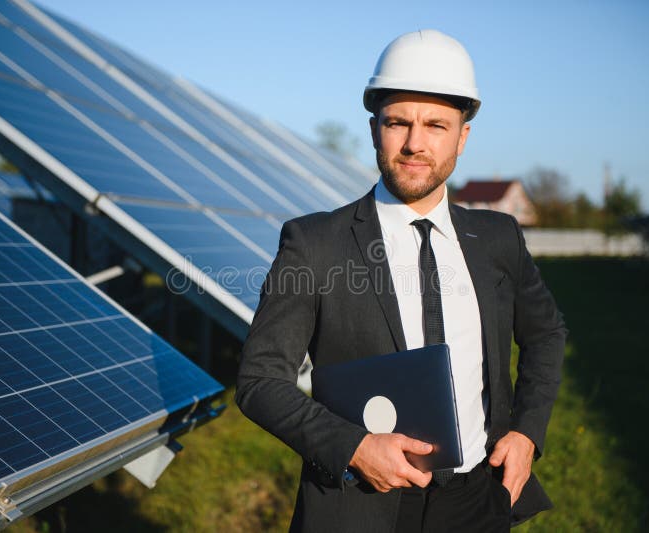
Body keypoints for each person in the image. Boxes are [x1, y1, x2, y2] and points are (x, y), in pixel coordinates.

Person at [236, 29, 566, 532]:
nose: (415, 143)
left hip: (479, 501)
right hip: (361, 506)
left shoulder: (498, 238)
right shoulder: (314, 243)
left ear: (463, 135)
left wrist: (526, 433)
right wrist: (354, 447)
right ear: (374, 129)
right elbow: (259, 381)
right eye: (398, 123)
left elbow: (545, 335)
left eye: (436, 125)